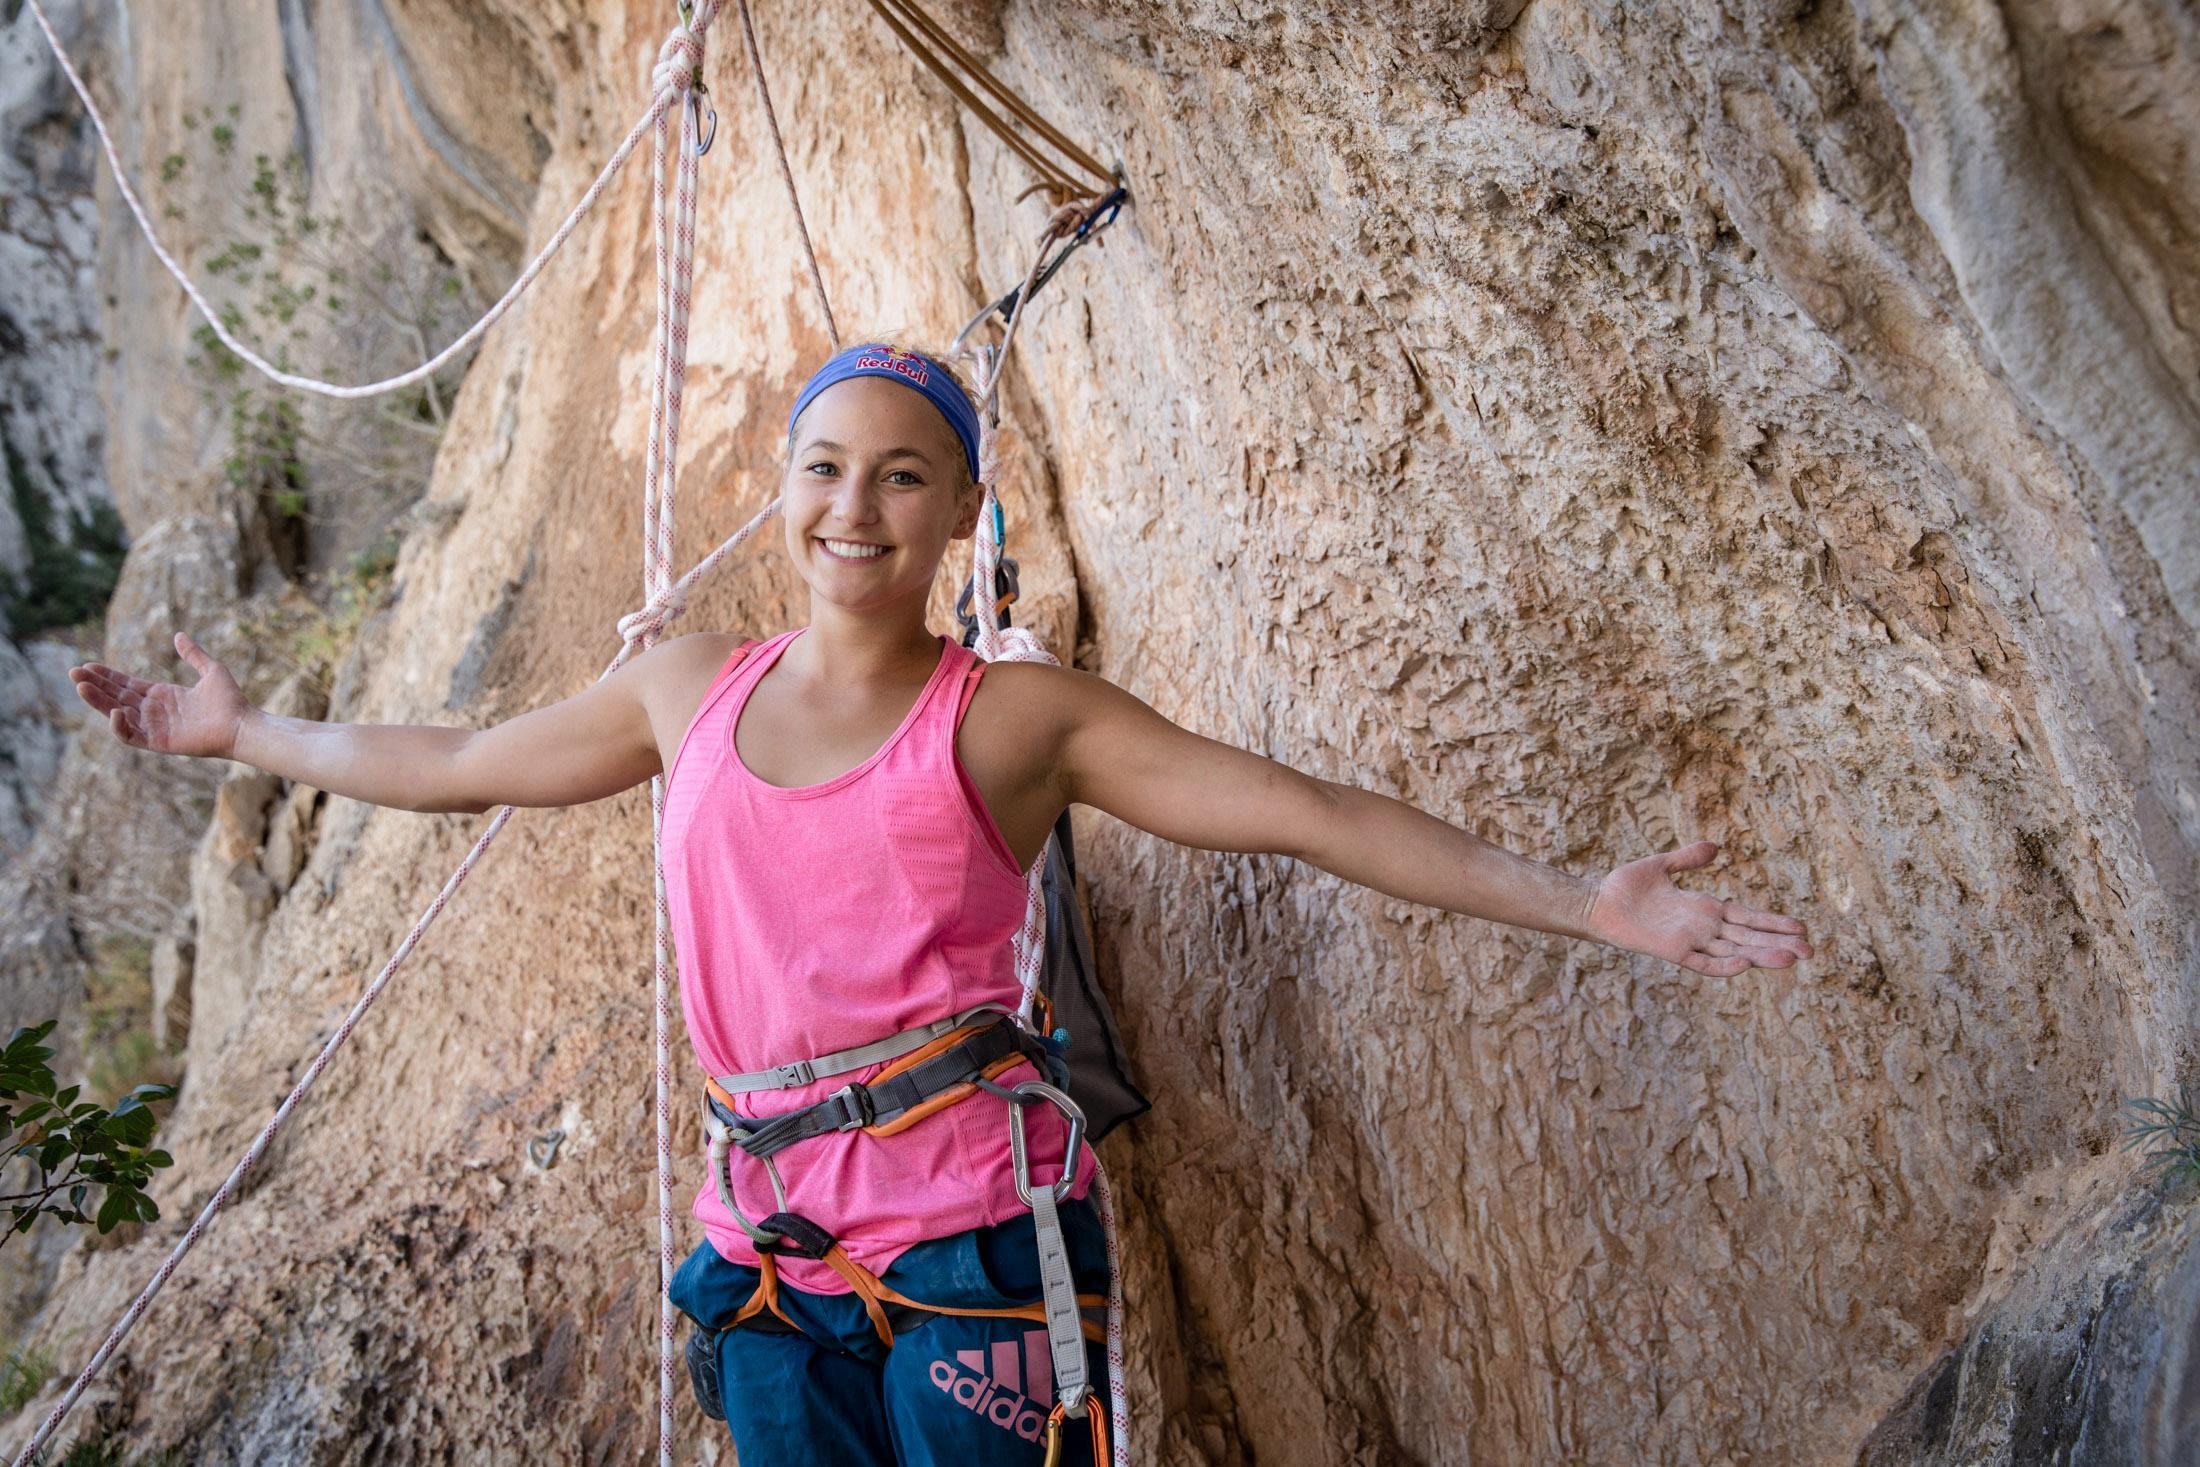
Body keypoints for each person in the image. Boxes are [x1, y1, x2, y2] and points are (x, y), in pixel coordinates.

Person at [67, 339, 1813, 1464]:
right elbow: (454, 762)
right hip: (763, 1248)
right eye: (828, 464)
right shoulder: (685, 692)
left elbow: (1297, 813)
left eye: (905, 474)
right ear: (787, 491)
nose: (858, 504)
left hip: (976, 1239)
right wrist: (247, 734)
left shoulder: (1012, 718)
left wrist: (1585, 903)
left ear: (962, 509)